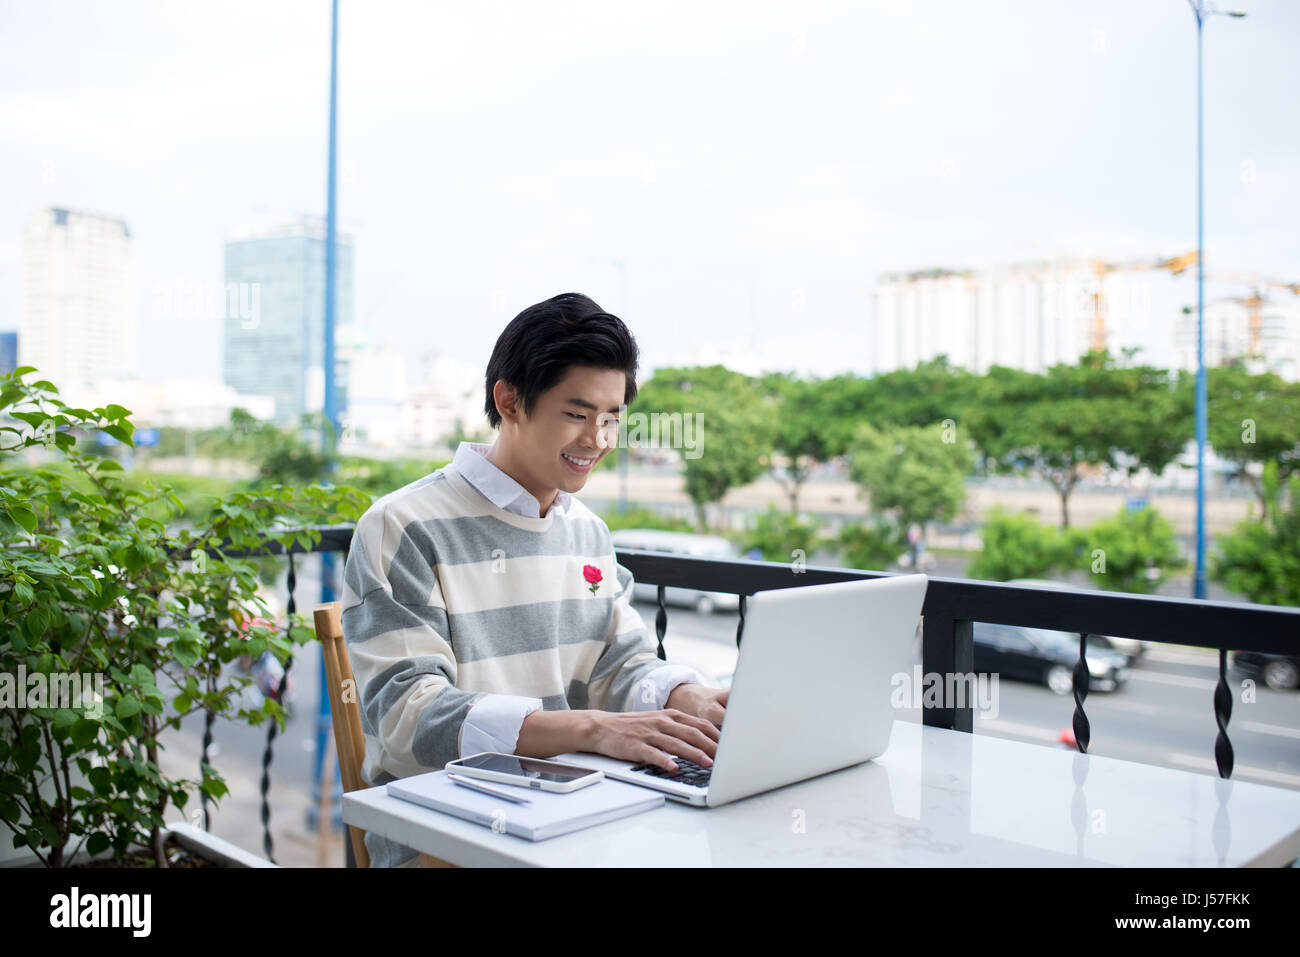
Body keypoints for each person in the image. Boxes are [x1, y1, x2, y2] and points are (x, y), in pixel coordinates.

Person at [341, 292, 729, 867]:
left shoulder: (587, 533)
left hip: (579, 820)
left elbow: (619, 665)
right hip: (444, 843)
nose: (598, 440)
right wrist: (592, 730)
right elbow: (408, 719)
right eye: (577, 414)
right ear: (510, 400)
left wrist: (688, 699)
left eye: (611, 417)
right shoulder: (403, 526)